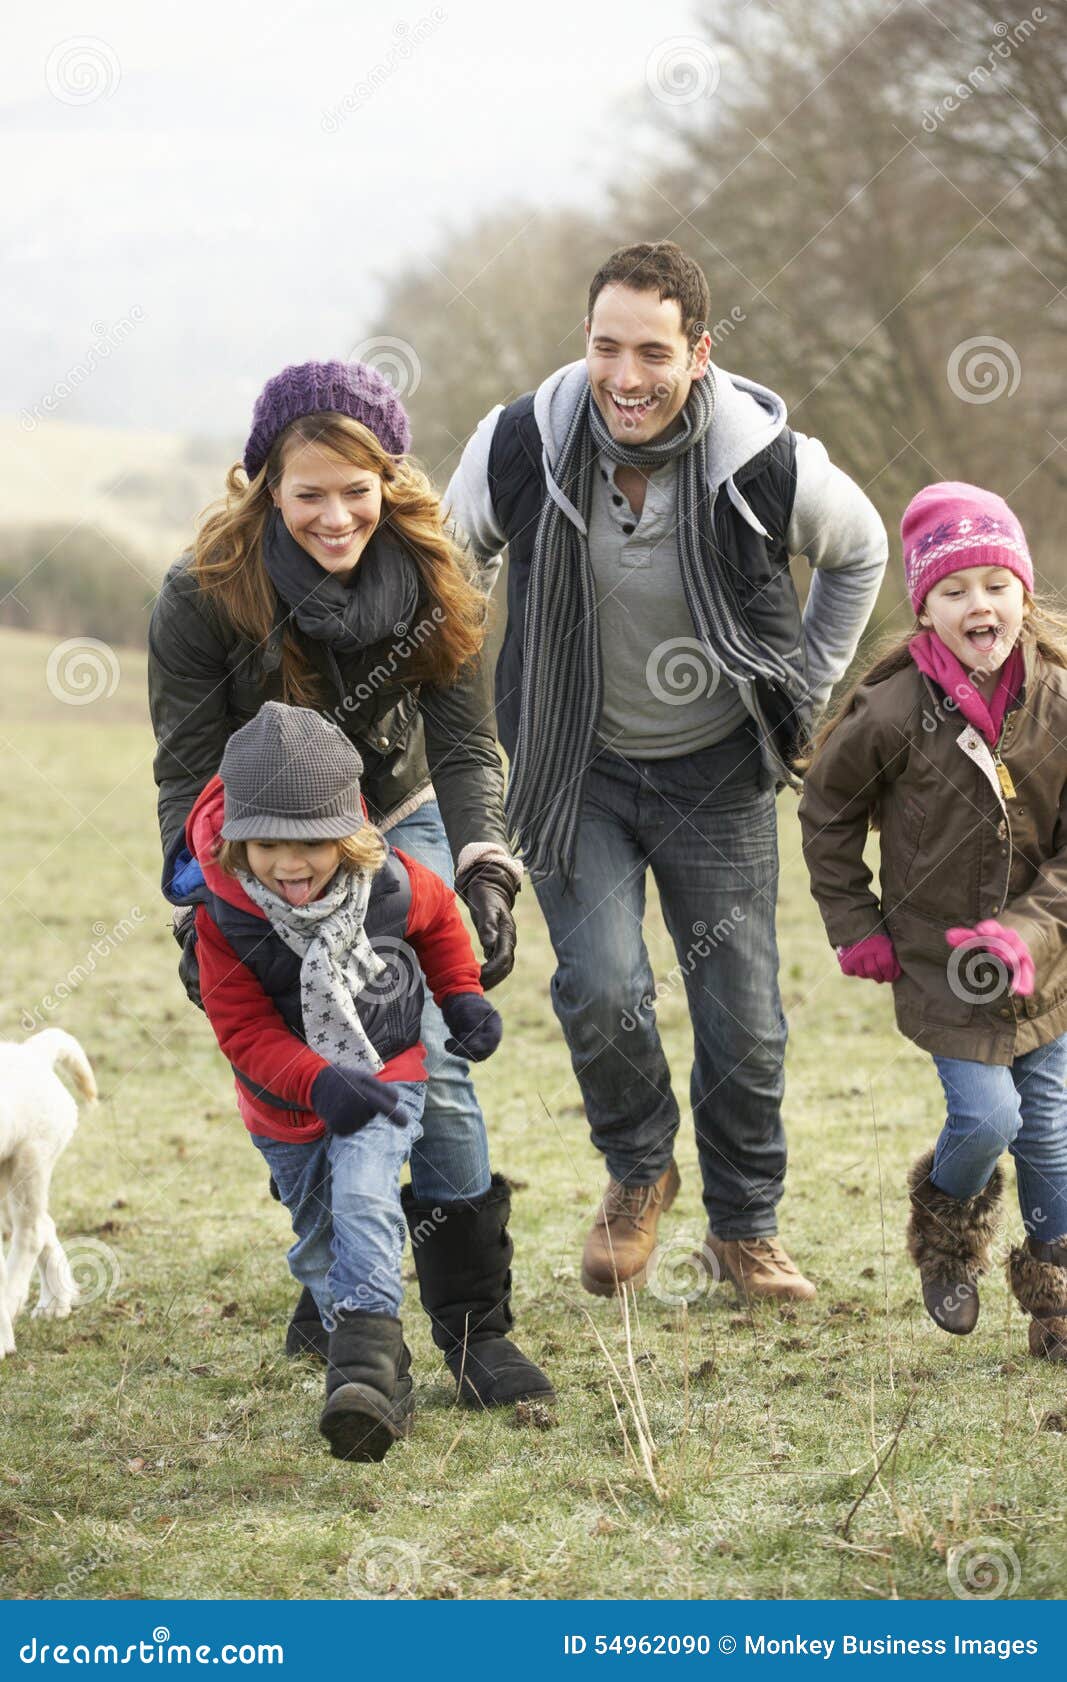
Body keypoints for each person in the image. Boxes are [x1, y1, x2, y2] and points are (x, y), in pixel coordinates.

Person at [446, 241, 888, 1302]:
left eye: (652, 350)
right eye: (606, 347)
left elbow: (859, 551)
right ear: (584, 343)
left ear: (696, 353)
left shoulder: (761, 459)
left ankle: (743, 1227)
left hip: (716, 772)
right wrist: (465, 702)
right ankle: (639, 1169)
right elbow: (451, 560)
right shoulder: (518, 443)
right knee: (599, 986)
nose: (626, 375)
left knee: (740, 1013)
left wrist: (800, 696)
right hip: (572, 767)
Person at [149, 359, 552, 1404]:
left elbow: (467, 746)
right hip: (262, 834)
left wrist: (483, 868)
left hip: (396, 817)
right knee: (305, 1042)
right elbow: (186, 766)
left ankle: (474, 1325)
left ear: (390, 478)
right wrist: (200, 903)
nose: (335, 515)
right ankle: (340, 1271)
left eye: (356, 489)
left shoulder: (435, 575)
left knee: (430, 1062)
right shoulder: (203, 594)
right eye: (308, 492)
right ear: (265, 486)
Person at [799, 482, 1067, 1364]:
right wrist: (855, 923)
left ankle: (1055, 1298)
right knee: (988, 1119)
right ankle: (945, 1236)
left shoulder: (1059, 705)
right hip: (940, 967)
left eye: (994, 583)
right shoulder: (890, 711)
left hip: (1049, 965)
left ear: (1022, 595)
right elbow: (826, 813)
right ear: (924, 609)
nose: (976, 604)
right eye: (953, 591)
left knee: (1049, 1132)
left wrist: (1024, 936)